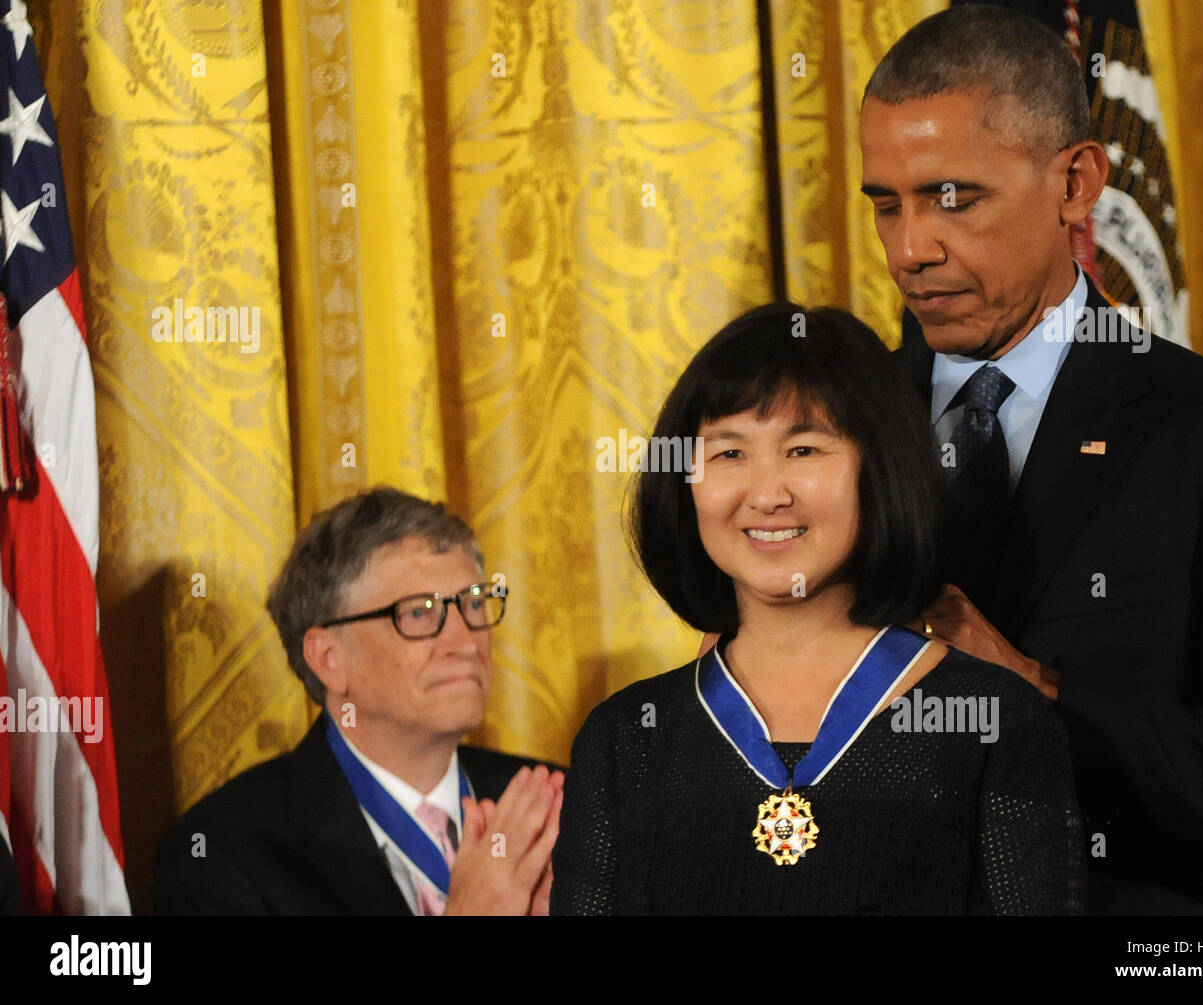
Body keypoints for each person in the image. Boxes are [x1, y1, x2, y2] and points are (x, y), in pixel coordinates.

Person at [859, 4, 1203, 912]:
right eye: (886, 205)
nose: (911, 250)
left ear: (1077, 182)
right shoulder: (829, 427)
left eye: (953, 199)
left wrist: (1037, 691)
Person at [552, 304, 1084, 915]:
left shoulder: (993, 721)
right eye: (729, 453)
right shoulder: (625, 738)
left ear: (878, 469)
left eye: (803, 450)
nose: (768, 494)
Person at [154, 488, 562, 915]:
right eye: (419, 613)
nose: (464, 642)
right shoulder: (218, 856)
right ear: (329, 659)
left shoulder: (563, 803)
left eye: (474, 603)